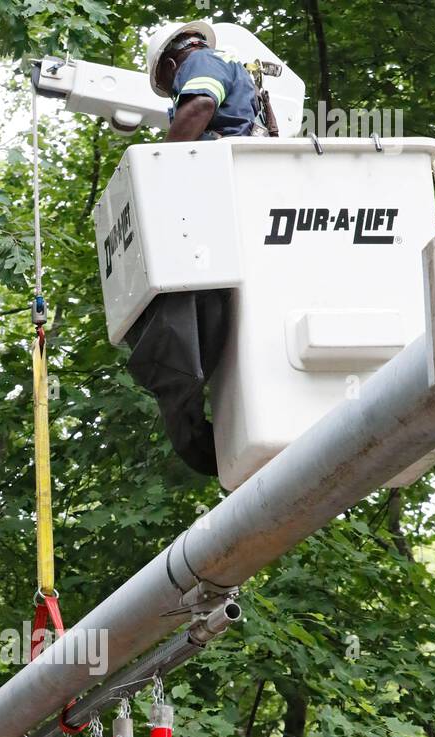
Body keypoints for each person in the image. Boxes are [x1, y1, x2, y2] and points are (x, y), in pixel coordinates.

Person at [125, 20, 270, 477]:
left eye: (171, 88)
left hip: (215, 191)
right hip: (229, 195)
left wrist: (163, 170)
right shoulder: (241, 76)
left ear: (172, 61)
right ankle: (206, 428)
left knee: (183, 306)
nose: (176, 97)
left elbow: (200, 105)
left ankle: (191, 427)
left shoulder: (203, 62)